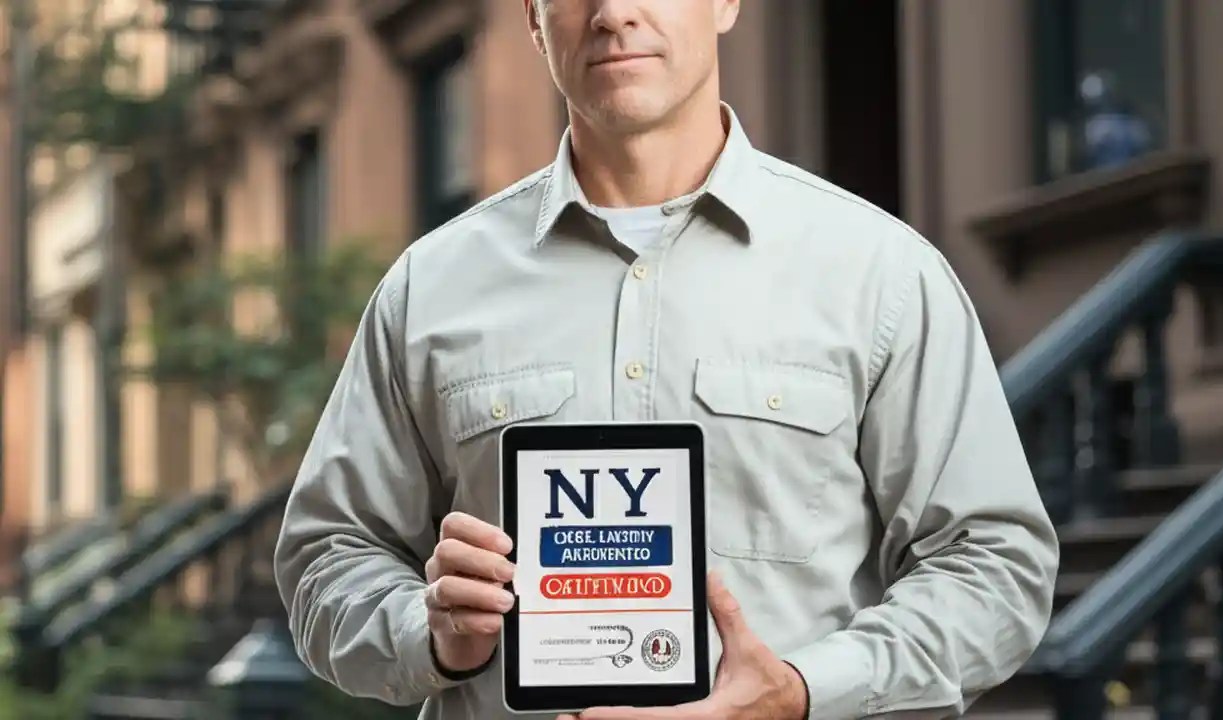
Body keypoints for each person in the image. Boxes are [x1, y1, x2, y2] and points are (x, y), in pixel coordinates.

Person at [273, 1, 1060, 719]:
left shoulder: (880, 274)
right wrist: (432, 630)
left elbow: (994, 567)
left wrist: (804, 690)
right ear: (534, 18)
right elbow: (326, 559)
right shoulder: (431, 288)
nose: (614, 14)